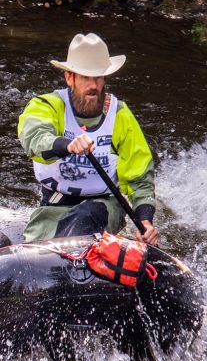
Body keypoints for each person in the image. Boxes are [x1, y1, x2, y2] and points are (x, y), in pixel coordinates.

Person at [16, 32, 160, 245]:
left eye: (98, 77)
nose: (93, 85)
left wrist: (145, 220)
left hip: (104, 205)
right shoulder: (46, 106)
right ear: (69, 78)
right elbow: (34, 139)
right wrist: (68, 145)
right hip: (54, 204)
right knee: (36, 251)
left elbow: (139, 177)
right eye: (85, 77)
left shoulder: (120, 114)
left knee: (86, 216)